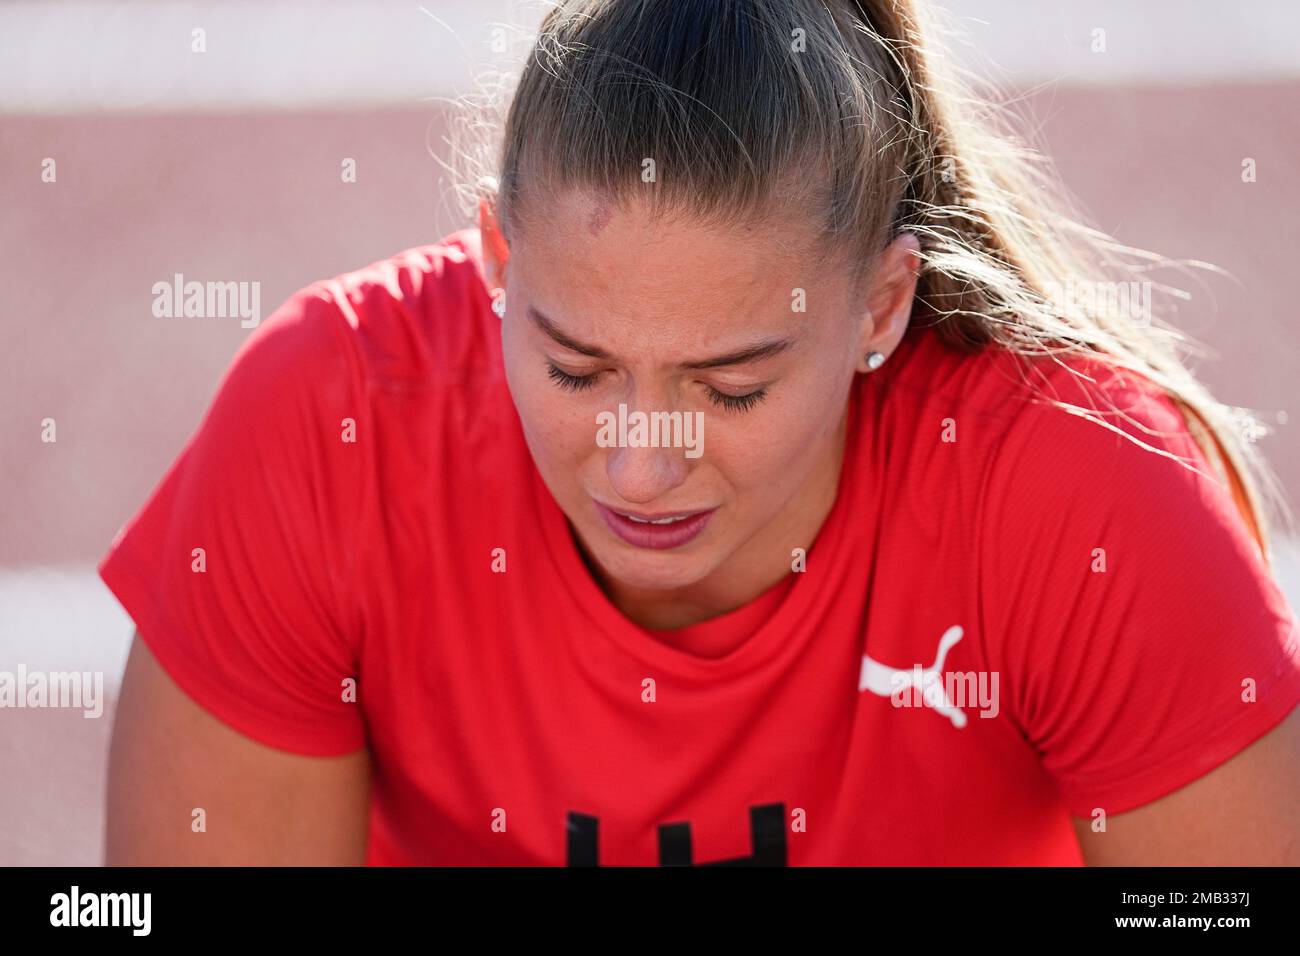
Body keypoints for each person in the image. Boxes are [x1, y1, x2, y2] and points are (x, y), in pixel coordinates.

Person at [101, 0, 1300, 866]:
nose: (640, 461)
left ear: (880, 306)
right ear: (499, 260)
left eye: (731, 388)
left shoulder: (1080, 488)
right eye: (576, 367)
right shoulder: (329, 424)